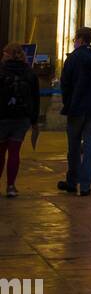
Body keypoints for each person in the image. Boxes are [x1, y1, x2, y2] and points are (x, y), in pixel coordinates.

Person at [58, 27, 91, 197]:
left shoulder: (73, 58)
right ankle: (86, 186)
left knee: (73, 147)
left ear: (79, 39)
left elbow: (65, 84)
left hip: (76, 108)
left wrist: (69, 103)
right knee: (89, 149)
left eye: (75, 39)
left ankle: (72, 182)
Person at [0, 43, 40, 197]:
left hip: (2, 116)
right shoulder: (29, 73)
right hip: (21, 118)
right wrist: (34, 120)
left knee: (1, 152)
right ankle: (10, 186)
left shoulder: (1, 70)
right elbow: (35, 98)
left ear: (8, 54)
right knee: (14, 152)